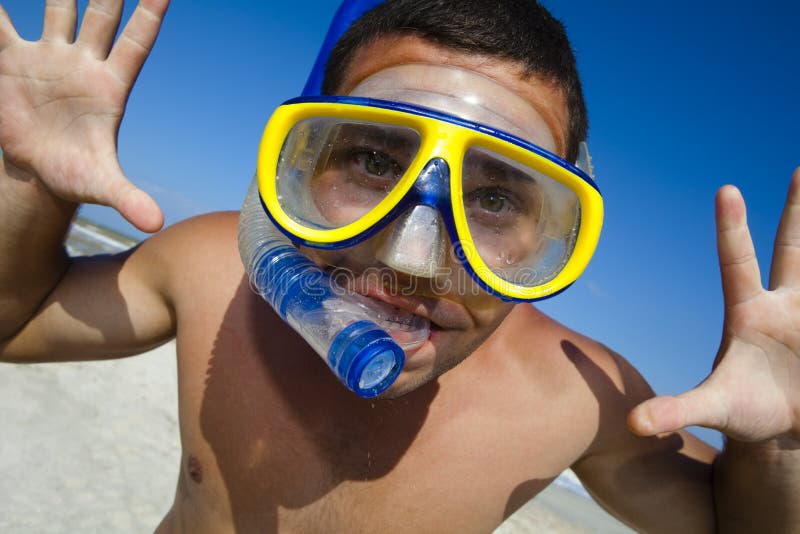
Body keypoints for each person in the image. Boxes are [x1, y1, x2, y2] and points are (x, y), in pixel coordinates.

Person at [0, 0, 797, 532]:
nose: (411, 258)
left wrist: (779, 445)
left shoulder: (578, 397)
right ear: (299, 169)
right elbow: (16, 325)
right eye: (374, 160)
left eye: (493, 200)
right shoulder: (212, 269)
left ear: (551, 234)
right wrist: (28, 188)